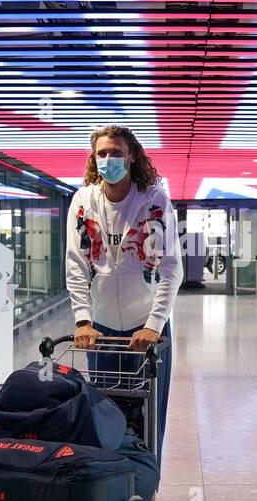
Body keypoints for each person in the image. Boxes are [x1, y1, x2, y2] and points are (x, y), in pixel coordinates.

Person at [65, 124, 181, 464]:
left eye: (116, 153)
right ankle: (108, 482)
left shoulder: (153, 200)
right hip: (99, 330)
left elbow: (172, 267)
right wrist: (83, 320)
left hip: (145, 328)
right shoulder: (83, 201)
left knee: (147, 414)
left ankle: (145, 484)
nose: (108, 159)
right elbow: (76, 264)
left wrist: (154, 324)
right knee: (103, 411)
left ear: (131, 158)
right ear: (93, 158)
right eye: (101, 153)